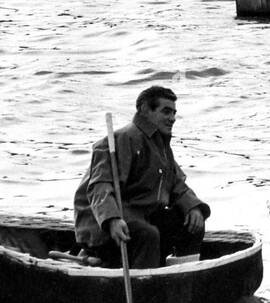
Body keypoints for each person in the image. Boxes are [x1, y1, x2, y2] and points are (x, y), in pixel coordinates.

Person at [73, 86, 209, 269]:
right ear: (145, 111)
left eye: (174, 113)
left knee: (192, 223)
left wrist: (193, 207)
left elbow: (176, 183)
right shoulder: (121, 139)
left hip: (141, 217)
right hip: (101, 224)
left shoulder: (160, 145)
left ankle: (183, 276)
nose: (173, 118)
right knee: (148, 234)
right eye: (166, 112)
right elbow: (99, 187)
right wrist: (112, 220)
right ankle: (146, 286)